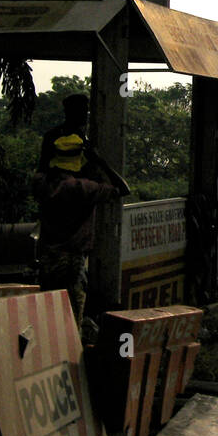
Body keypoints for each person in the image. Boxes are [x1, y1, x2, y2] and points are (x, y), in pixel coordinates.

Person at [34, 94, 129, 334]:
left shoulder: (45, 185)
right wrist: (100, 161)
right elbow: (122, 190)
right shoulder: (85, 189)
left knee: (48, 309)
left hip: (47, 253)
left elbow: (41, 170)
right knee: (73, 313)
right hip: (74, 256)